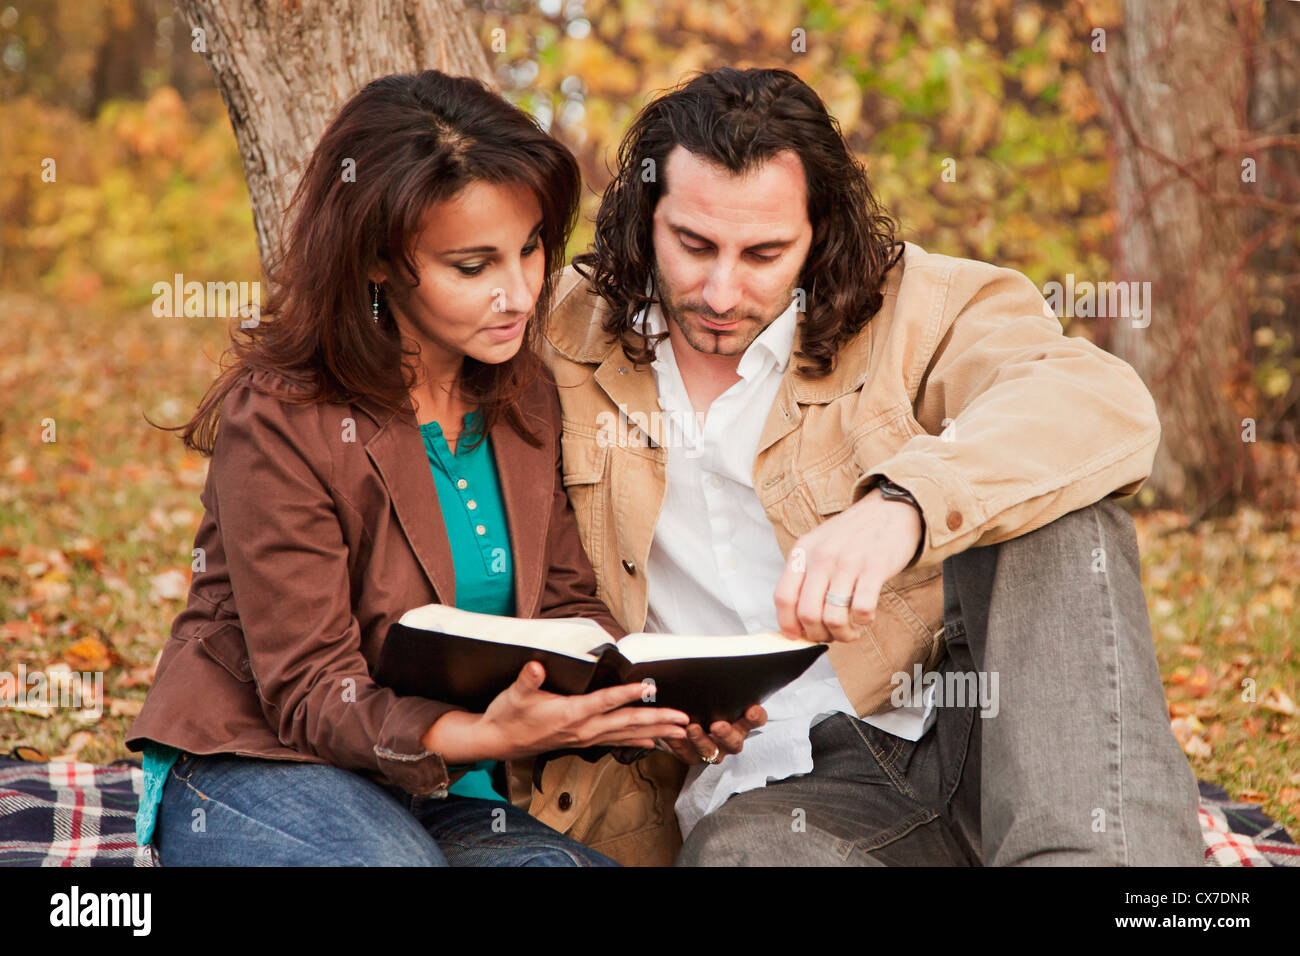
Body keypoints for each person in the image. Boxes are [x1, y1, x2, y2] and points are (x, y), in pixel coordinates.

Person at [539, 66, 1206, 865]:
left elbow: (1096, 402)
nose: (721, 289)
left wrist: (905, 507)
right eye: (693, 244)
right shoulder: (557, 337)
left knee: (1066, 511)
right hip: (779, 794)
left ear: (818, 233)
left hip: (982, 729)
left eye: (764, 253)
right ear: (645, 217)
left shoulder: (915, 306)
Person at [125, 70, 692, 867]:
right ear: (380, 261)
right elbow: (313, 690)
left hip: (445, 788)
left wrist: (658, 706)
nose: (520, 293)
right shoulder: (283, 415)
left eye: (529, 249)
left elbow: (563, 605)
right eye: (474, 266)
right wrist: (480, 734)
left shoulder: (522, 394)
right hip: (259, 761)